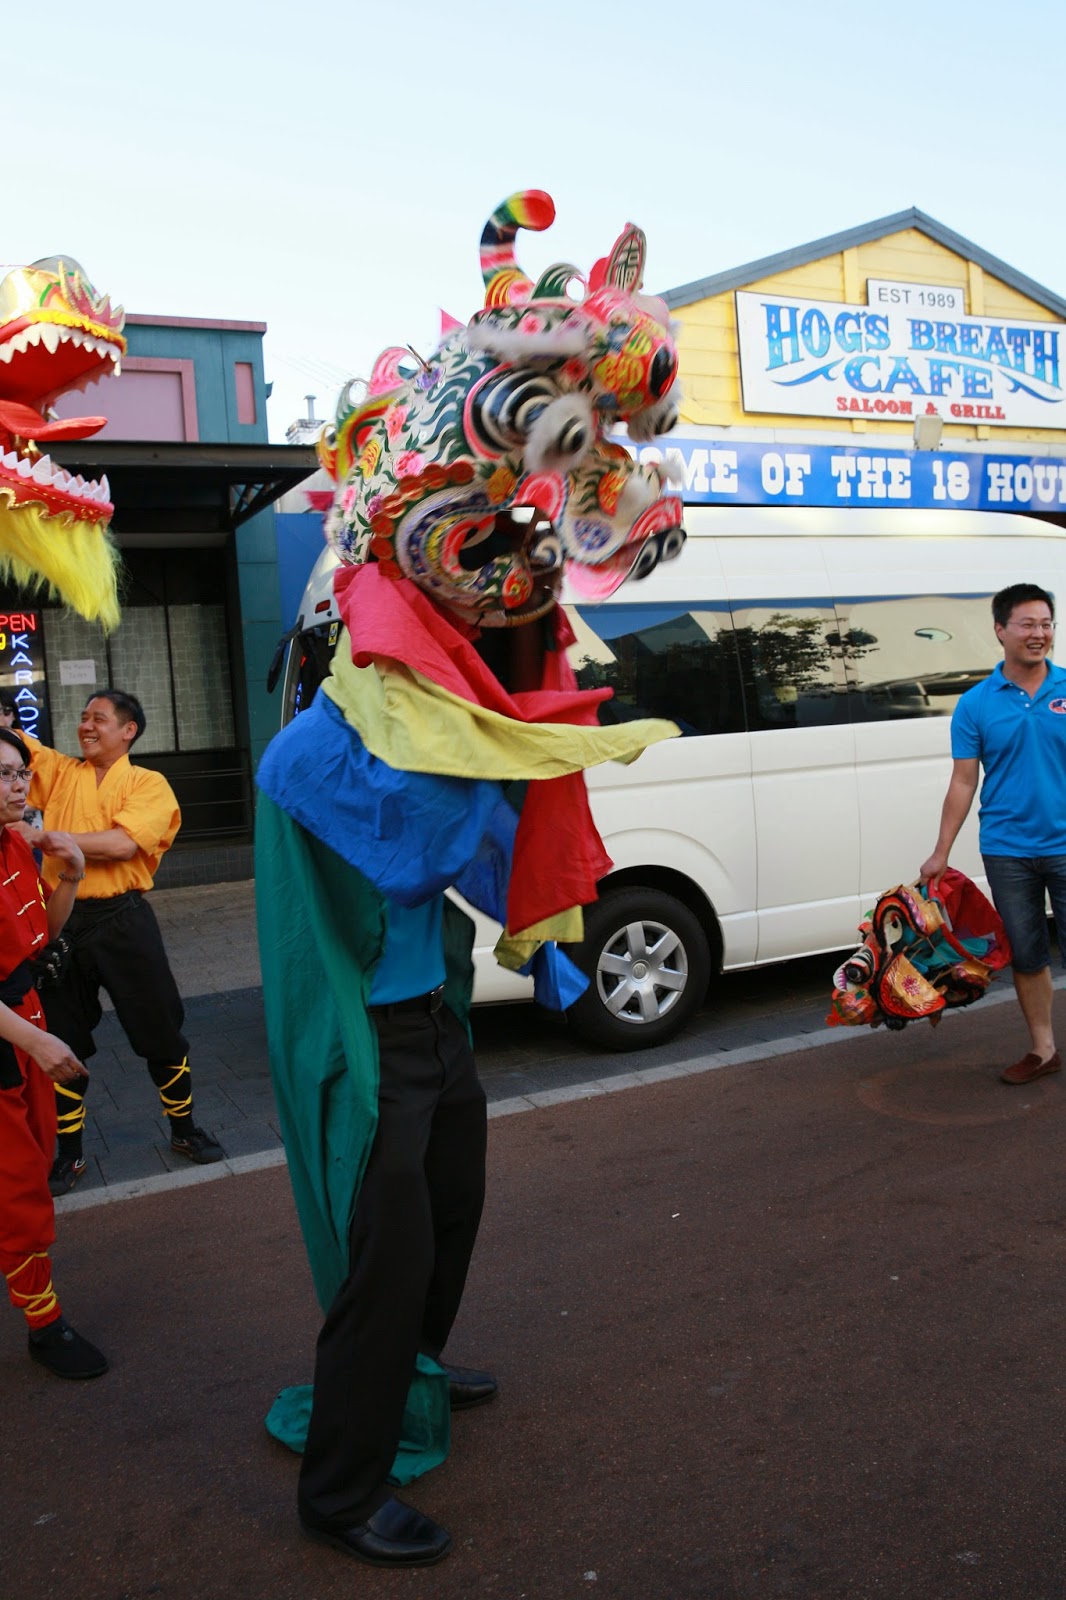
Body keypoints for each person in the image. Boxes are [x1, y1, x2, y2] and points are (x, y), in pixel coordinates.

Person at [17, 689, 223, 1192]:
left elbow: (122, 843)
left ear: (128, 730)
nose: (86, 725)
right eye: (84, 718)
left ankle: (183, 1129)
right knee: (60, 1036)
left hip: (123, 920)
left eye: (99, 719)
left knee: (160, 1028)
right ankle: (69, 1153)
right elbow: (13, 746)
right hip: (58, 921)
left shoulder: (149, 784)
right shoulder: (61, 771)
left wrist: (49, 839)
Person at [920, 582, 1066, 1085]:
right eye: (1027, 624)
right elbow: (964, 781)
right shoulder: (976, 704)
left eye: (1046, 624)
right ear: (1000, 630)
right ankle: (1043, 1050)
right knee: (1026, 954)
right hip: (1007, 850)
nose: (1039, 633)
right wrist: (941, 852)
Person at [0, 724, 108, 1378]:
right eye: (5, 775)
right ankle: (45, 1325)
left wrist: (73, 873)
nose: (19, 784)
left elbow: (43, 935)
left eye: (20, 772)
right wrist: (37, 1041)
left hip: (26, 1029)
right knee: (21, 1192)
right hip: (14, 1041)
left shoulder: (18, 844)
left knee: (33, 1165)